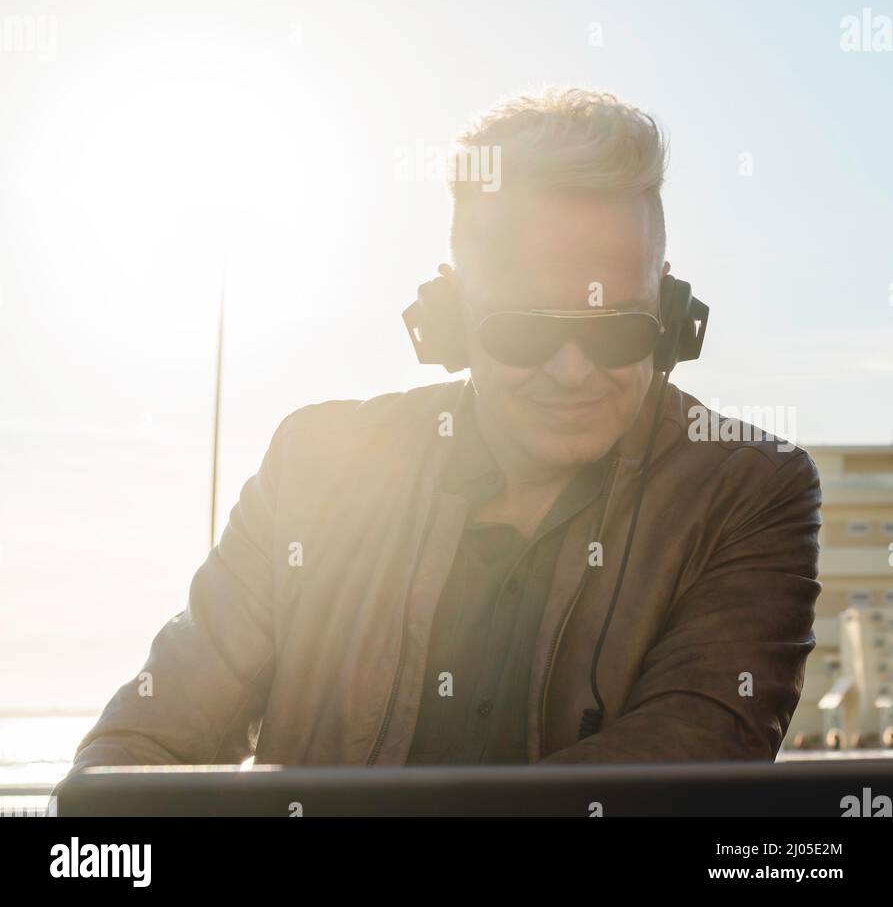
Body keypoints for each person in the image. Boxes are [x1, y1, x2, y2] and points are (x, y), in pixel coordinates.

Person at [67, 88, 821, 770]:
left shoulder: (749, 486)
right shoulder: (316, 465)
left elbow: (691, 755)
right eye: (525, 330)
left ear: (668, 322)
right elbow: (134, 750)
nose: (570, 370)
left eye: (615, 328)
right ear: (450, 324)